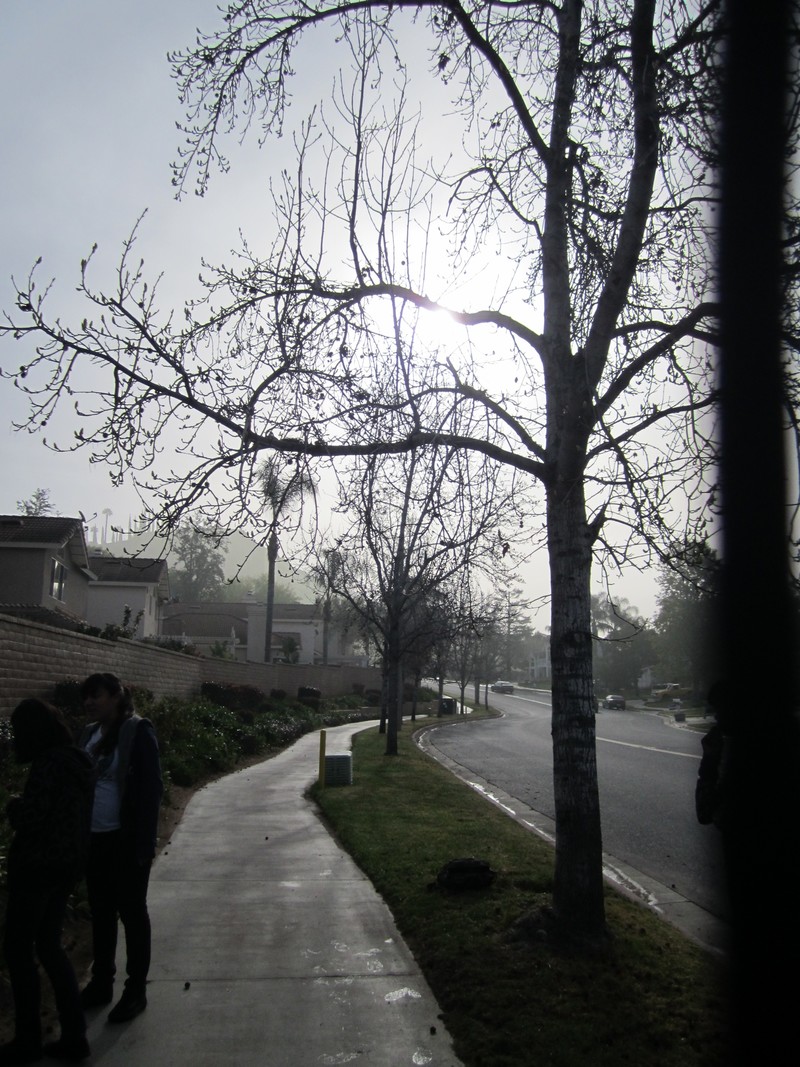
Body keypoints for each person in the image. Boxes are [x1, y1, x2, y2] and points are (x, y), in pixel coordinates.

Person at [1, 699, 95, 1065]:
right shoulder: (77, 762)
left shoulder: (47, 766)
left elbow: (34, 818)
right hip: (63, 869)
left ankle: (28, 1038)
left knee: (19, 951)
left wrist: (14, 807)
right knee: (51, 949)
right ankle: (74, 1035)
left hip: (37, 869)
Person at [77, 673, 162, 1024]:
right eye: (86, 697)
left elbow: (150, 789)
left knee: (131, 913)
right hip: (94, 839)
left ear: (116, 696)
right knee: (101, 912)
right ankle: (102, 982)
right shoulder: (88, 735)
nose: (89, 703)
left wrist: (143, 842)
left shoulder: (137, 731)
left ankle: (135, 990)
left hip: (124, 841)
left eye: (95, 696)